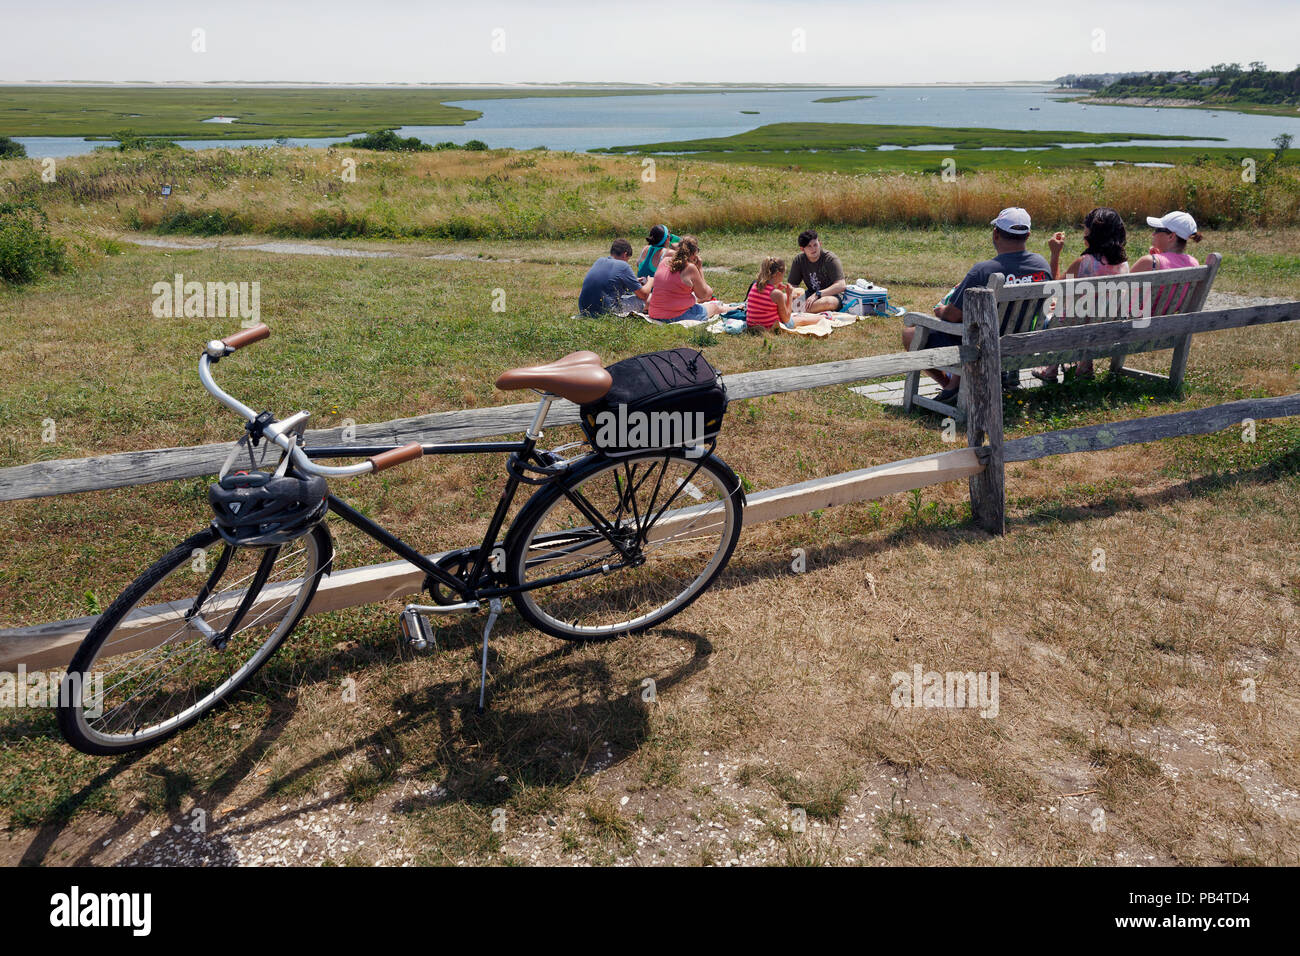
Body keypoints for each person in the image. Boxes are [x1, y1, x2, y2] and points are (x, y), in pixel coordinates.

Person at [904, 207, 1052, 405]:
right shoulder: (1041, 265)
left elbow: (952, 317)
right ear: (1028, 235)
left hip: (982, 347)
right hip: (1021, 344)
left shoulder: (983, 271)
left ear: (995, 233)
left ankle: (951, 386)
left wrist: (940, 309)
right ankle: (957, 385)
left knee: (910, 333)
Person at [1034, 207, 1130, 382]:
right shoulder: (1123, 265)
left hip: (1072, 326)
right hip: (1106, 327)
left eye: (1085, 228)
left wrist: (1055, 254)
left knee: (1059, 314)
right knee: (1089, 314)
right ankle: (1085, 365)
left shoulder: (1084, 263)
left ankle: (1050, 368)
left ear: (1092, 233)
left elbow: (1054, 289)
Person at [1129, 210, 1202, 313]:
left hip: (1134, 324)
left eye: (1157, 230)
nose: (1153, 234)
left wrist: (1154, 259)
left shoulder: (1150, 262)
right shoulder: (1194, 263)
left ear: (1171, 236)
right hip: (1167, 324)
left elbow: (1120, 291)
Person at [646, 235, 725, 323]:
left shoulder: (665, 260)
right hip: (673, 316)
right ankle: (736, 308)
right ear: (694, 253)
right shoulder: (690, 268)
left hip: (654, 313)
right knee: (714, 308)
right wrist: (700, 269)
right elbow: (704, 294)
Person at [578, 238, 651, 316]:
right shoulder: (623, 266)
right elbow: (643, 295)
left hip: (584, 308)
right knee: (649, 299)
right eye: (628, 259)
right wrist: (651, 281)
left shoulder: (599, 260)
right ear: (625, 254)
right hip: (606, 310)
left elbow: (608, 281)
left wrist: (633, 282)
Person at [787, 229, 847, 313]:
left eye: (815, 245)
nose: (813, 249)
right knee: (783, 297)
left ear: (820, 243)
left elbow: (841, 285)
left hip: (832, 296)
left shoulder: (830, 259)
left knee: (827, 303)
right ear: (802, 249)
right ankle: (797, 309)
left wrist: (818, 294)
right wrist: (794, 293)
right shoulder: (799, 260)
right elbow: (792, 285)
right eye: (809, 246)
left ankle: (793, 310)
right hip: (810, 295)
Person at [745, 256, 795, 330]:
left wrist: (777, 290)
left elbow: (766, 303)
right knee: (794, 320)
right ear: (778, 274)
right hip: (770, 328)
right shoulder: (777, 294)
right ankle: (818, 319)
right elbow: (786, 319)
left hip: (752, 326)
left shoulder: (755, 285)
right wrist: (790, 295)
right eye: (783, 274)